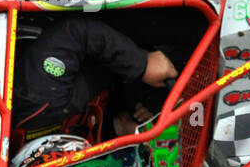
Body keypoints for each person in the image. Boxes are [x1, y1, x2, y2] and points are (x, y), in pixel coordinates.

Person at [12, 15, 177, 138]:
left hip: (131, 29)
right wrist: (119, 128)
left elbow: (76, 33)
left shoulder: (35, 96)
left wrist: (141, 64)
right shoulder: (19, 155)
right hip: (128, 94)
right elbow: (78, 136)